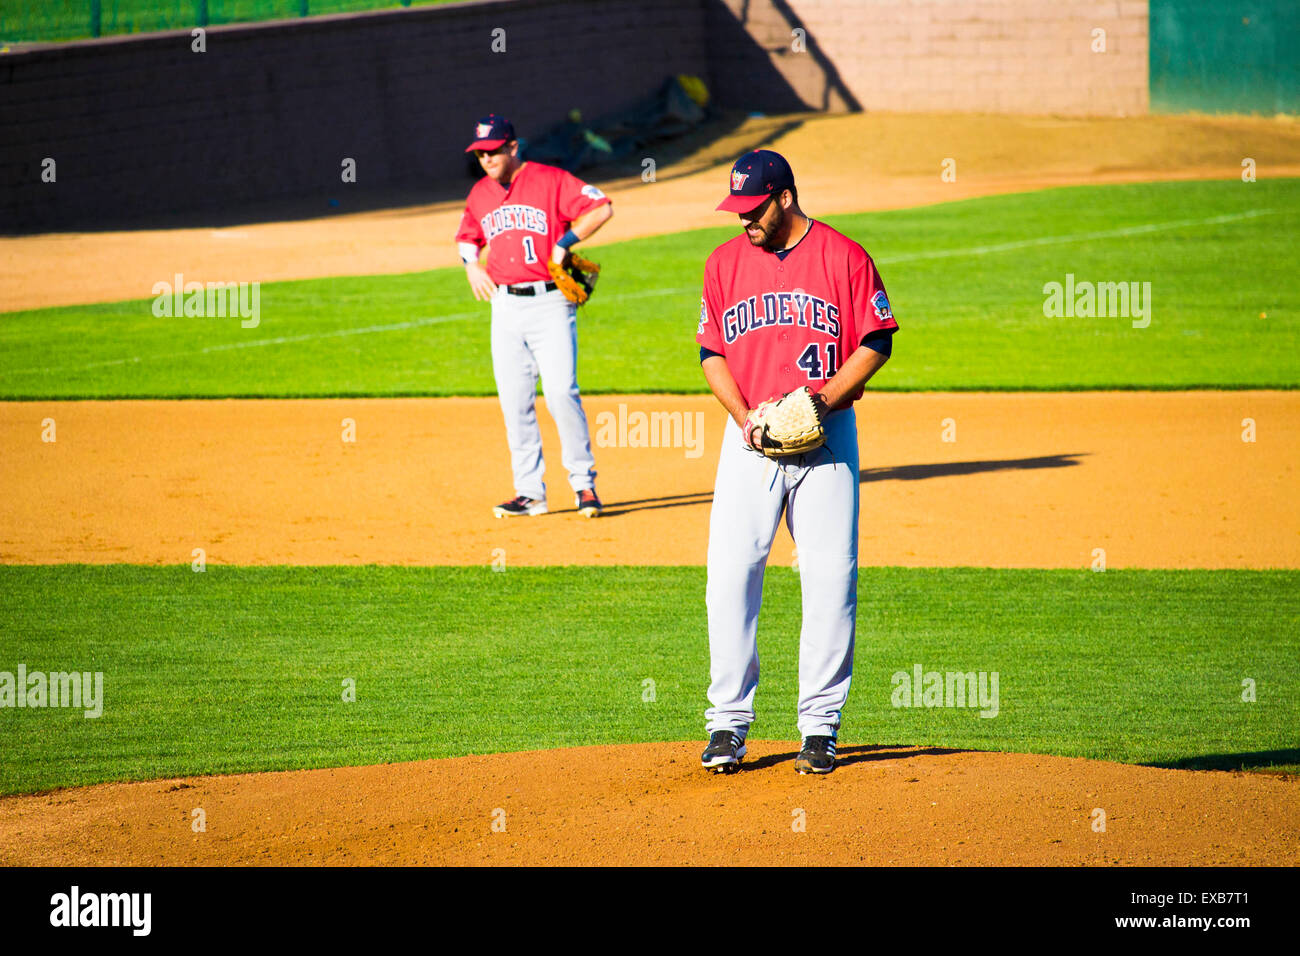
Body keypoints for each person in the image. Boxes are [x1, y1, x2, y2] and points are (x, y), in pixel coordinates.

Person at [695, 150, 898, 774]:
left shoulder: (845, 256)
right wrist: (746, 419)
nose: (744, 221)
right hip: (749, 442)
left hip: (828, 437)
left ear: (785, 196)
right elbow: (710, 353)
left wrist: (823, 400)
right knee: (730, 577)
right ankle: (727, 725)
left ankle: (820, 728)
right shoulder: (725, 263)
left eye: (753, 209)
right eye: (737, 210)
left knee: (832, 580)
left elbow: (877, 340)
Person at [455, 113, 613, 518]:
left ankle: (584, 486)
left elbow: (601, 208)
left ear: (512, 147)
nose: (486, 159)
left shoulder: (550, 180)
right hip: (504, 307)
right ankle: (530, 493)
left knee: (561, 393)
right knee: (514, 401)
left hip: (550, 302)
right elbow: (466, 237)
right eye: (480, 153)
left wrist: (564, 243)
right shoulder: (479, 194)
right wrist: (472, 265)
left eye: (493, 150)